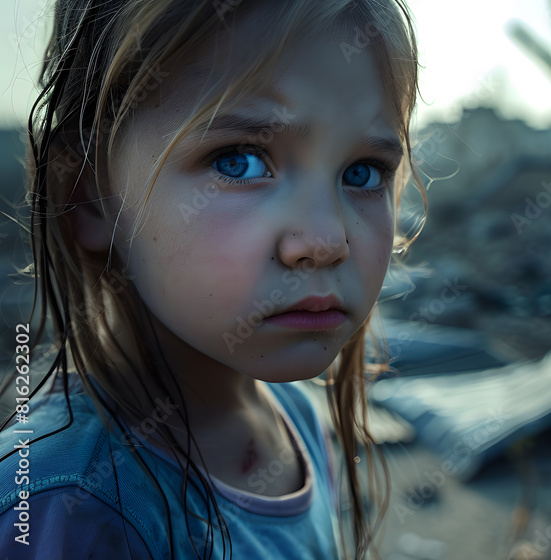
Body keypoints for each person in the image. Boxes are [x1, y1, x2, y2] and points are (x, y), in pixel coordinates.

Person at [0, 0, 423, 557]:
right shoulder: (62, 507)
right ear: (90, 197)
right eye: (239, 161)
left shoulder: (293, 413)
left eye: (362, 172)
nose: (325, 242)